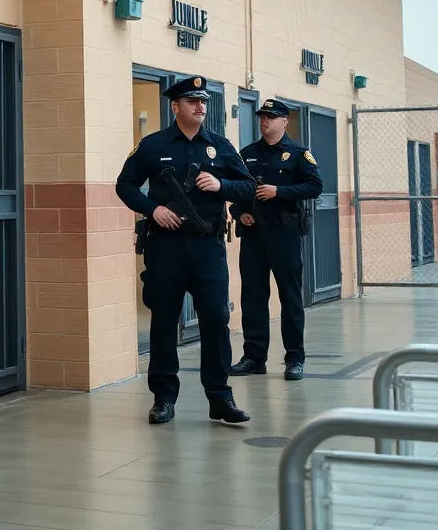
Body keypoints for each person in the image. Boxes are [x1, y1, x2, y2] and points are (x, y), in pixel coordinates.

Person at [116, 75, 256, 426]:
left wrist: (222, 183)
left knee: (215, 320)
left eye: (203, 101)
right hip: (165, 248)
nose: (200, 107)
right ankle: (163, 398)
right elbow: (125, 184)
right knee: (164, 321)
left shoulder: (220, 146)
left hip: (207, 247)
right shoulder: (153, 144)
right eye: (192, 101)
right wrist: (153, 209)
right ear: (175, 106)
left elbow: (248, 188)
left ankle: (220, 398)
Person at [228, 99, 323, 381]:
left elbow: (315, 186)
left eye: (271, 117)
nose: (265, 121)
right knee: (253, 297)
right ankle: (254, 357)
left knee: (290, 297)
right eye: (262, 117)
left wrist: (278, 192)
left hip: (285, 234)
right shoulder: (246, 154)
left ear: (284, 121)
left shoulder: (297, 154)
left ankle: (294, 358)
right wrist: (240, 211)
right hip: (255, 235)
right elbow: (235, 191)